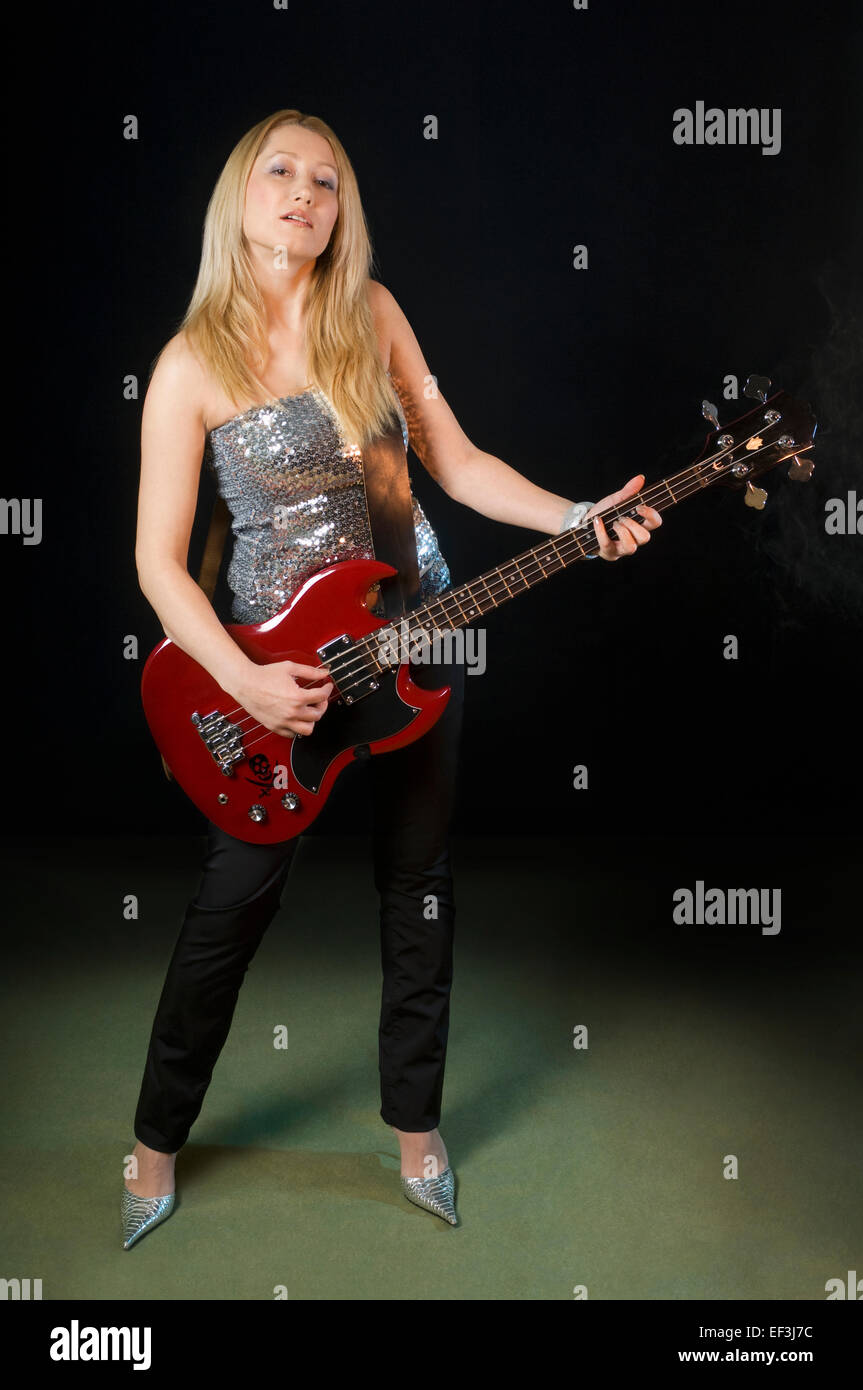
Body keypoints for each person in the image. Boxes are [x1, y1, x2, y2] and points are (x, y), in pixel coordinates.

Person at [126, 107, 662, 1249]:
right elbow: (156, 566)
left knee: (418, 888)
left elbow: (454, 462)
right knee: (229, 908)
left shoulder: (368, 314)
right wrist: (250, 683)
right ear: (241, 195)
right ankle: (154, 1143)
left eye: (325, 179)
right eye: (280, 171)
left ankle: (416, 1131)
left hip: (413, 639)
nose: (303, 193)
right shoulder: (189, 364)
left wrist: (579, 515)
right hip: (268, 677)